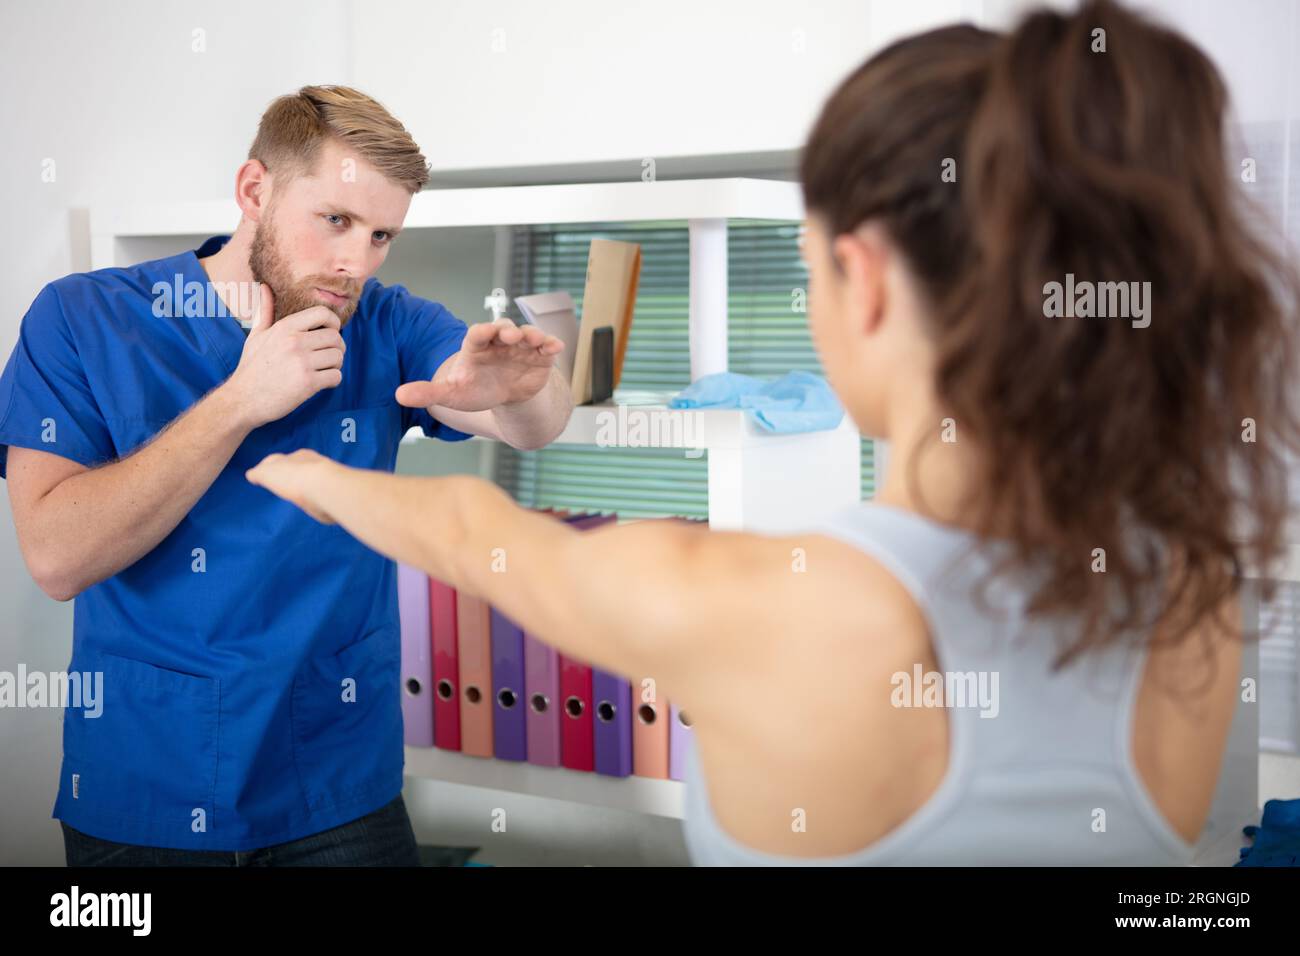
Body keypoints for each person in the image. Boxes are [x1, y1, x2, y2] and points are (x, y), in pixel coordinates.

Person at [248, 0, 1300, 865]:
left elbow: (474, 527)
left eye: (809, 270)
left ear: (870, 282)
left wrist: (307, 472)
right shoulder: (1192, 579)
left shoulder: (767, 605)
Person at [0, 85, 572, 866]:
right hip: (142, 789)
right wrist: (240, 402)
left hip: (338, 789)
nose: (354, 262)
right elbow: (56, 558)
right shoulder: (80, 319)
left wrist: (526, 390)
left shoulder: (385, 322)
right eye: (334, 220)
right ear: (254, 190)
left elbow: (525, 422)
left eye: (380, 236)